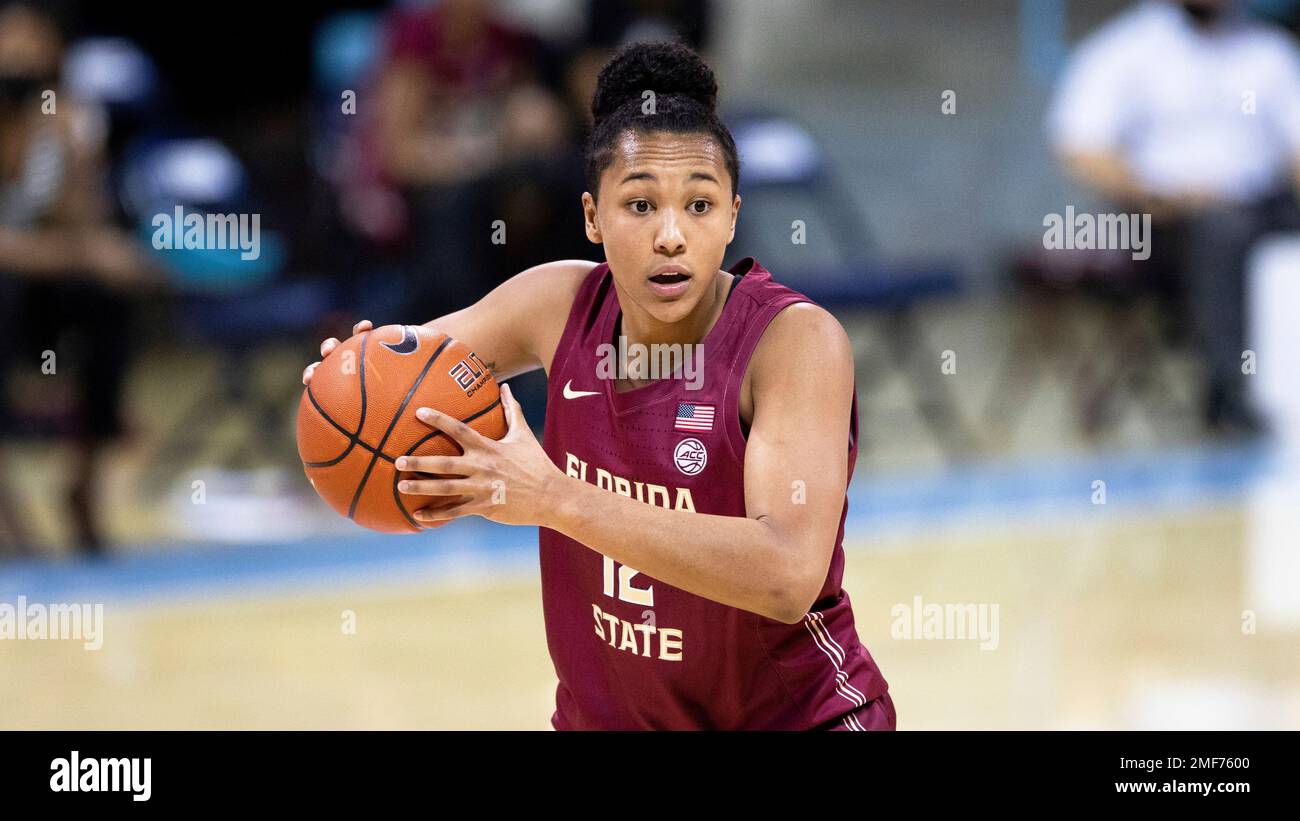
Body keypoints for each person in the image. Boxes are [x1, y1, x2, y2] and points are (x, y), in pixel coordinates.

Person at [303, 40, 893, 730]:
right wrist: (346, 377)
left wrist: (553, 497)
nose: (671, 235)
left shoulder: (795, 343)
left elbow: (785, 574)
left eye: (699, 206)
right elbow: (401, 377)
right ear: (592, 217)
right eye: (640, 205)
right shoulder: (553, 306)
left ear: (733, 215)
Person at [1046, 0, 1300, 435]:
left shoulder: (1268, 50)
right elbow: (1081, 149)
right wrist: (1161, 195)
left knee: (1264, 234)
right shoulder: (1126, 49)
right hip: (1162, 218)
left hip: (1262, 205)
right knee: (1223, 235)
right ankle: (1237, 400)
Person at [0, 1, 161, 555]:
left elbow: (83, 225)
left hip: (44, 283)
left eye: (31, 41)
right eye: (8, 41)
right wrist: (73, 252)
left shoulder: (70, 119)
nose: (19, 55)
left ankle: (84, 484)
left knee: (105, 296)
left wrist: (62, 140)